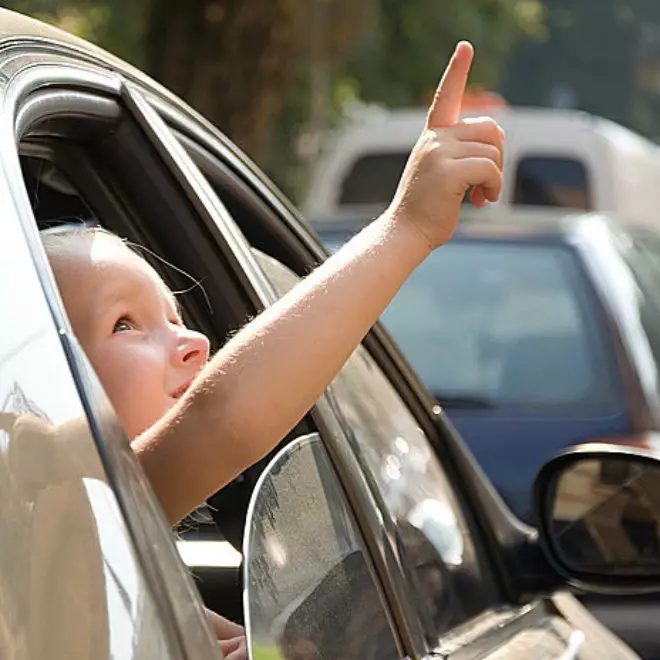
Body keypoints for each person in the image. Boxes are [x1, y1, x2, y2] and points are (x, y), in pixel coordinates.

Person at [39, 41, 503, 658]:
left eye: (174, 316)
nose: (194, 341)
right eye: (126, 324)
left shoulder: (126, 565)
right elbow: (221, 418)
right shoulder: (54, 514)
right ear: (40, 378)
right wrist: (406, 229)